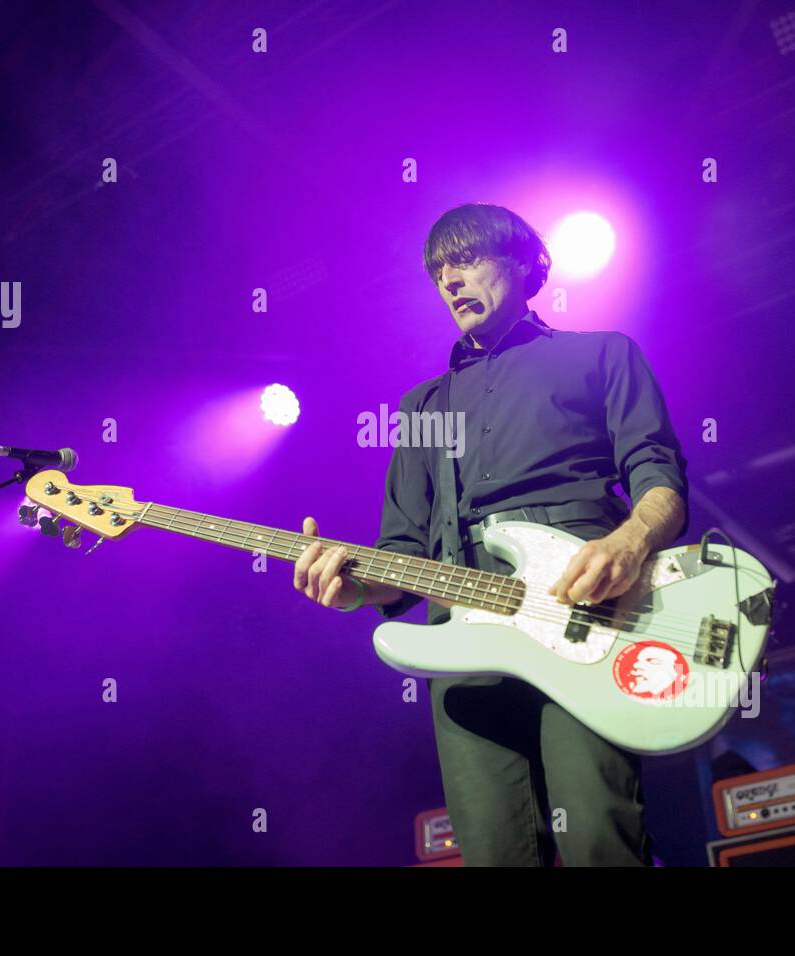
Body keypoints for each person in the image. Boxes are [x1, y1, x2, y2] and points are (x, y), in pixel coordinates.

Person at [293, 202, 687, 866]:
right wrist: (355, 588)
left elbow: (660, 474)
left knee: (597, 835)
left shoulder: (601, 354)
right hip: (465, 639)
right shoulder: (423, 408)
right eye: (439, 269)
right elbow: (403, 550)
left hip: (582, 615)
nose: (450, 279)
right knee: (495, 853)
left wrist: (629, 542)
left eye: (468, 259)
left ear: (528, 264)